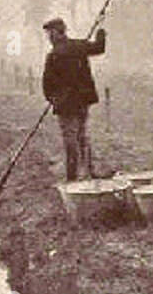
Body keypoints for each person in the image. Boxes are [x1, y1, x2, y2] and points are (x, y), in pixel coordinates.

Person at [42, 16, 106, 181]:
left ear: (57, 33)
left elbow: (47, 85)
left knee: (71, 141)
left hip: (65, 105)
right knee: (83, 137)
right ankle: (89, 173)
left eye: (50, 34)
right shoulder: (79, 46)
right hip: (83, 102)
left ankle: (72, 177)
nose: (49, 37)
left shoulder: (53, 55)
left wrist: (53, 99)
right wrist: (100, 30)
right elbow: (99, 48)